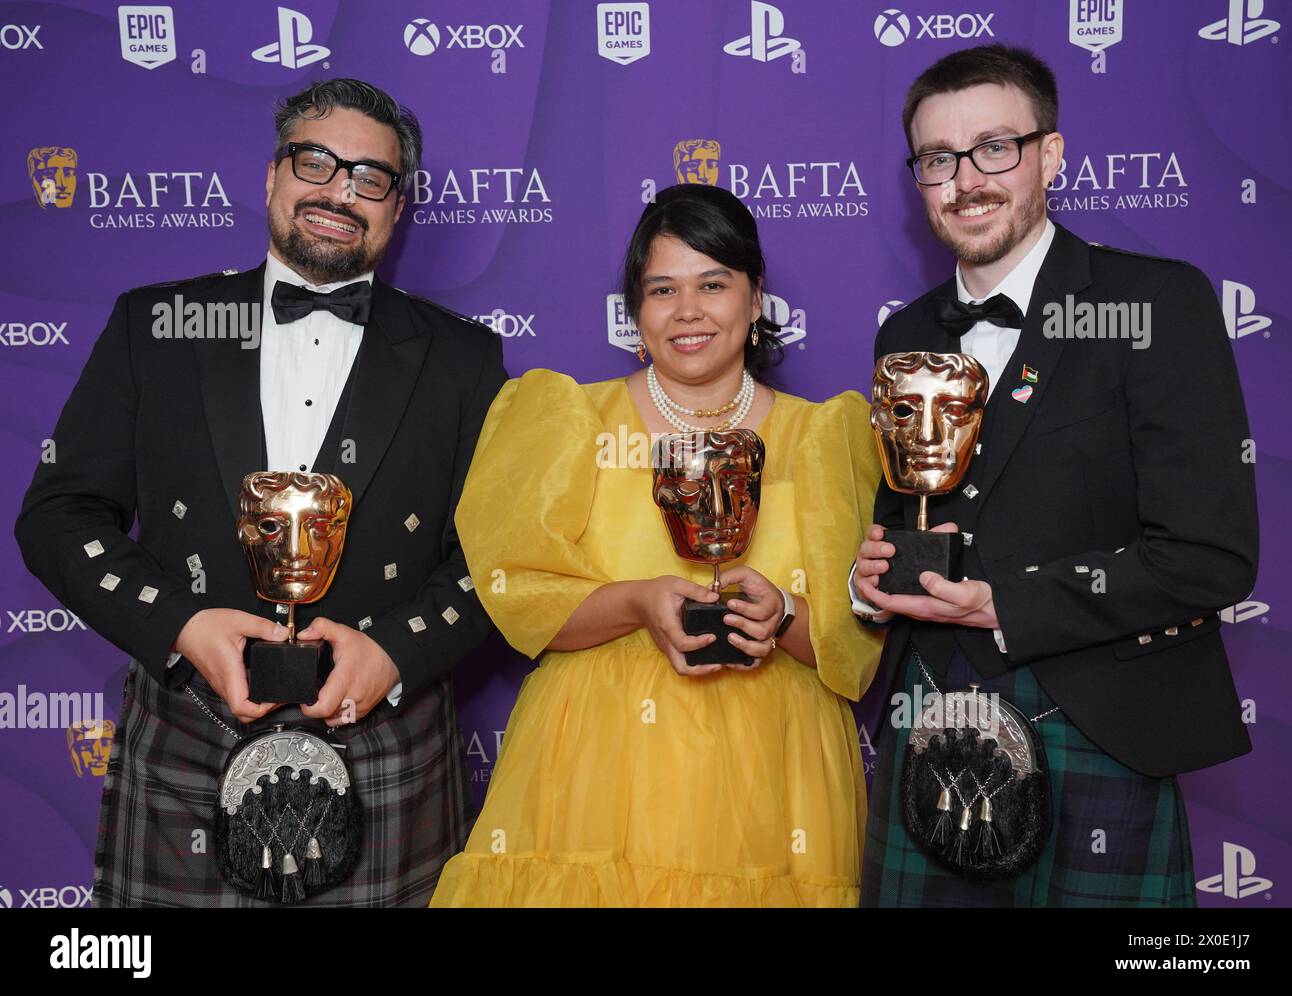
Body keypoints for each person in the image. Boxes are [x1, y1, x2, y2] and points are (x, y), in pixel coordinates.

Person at [16, 78, 507, 907]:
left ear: (397, 207)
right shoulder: (156, 326)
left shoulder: (465, 361)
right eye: (315, 162)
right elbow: (59, 514)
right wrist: (181, 623)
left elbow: (499, 557)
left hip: (387, 743)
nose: (338, 192)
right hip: (187, 735)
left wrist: (398, 649)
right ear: (272, 176)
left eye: (369, 177)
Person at [851, 45, 1257, 907]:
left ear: (1052, 154)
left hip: (1100, 723)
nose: (966, 180)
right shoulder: (905, 334)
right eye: (937, 160)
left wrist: (1008, 602)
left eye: (995, 146)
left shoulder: (1154, 304)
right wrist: (874, 579)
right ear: (917, 179)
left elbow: (1210, 557)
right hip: (930, 712)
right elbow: (909, 515)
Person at [432, 184, 884, 906]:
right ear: (636, 311)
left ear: (756, 298)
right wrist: (640, 601)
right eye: (662, 289)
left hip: (773, 776)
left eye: (714, 284)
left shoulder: (825, 437)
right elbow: (522, 602)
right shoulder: (570, 419)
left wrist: (785, 615)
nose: (688, 312)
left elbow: (855, 644)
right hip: (594, 774)